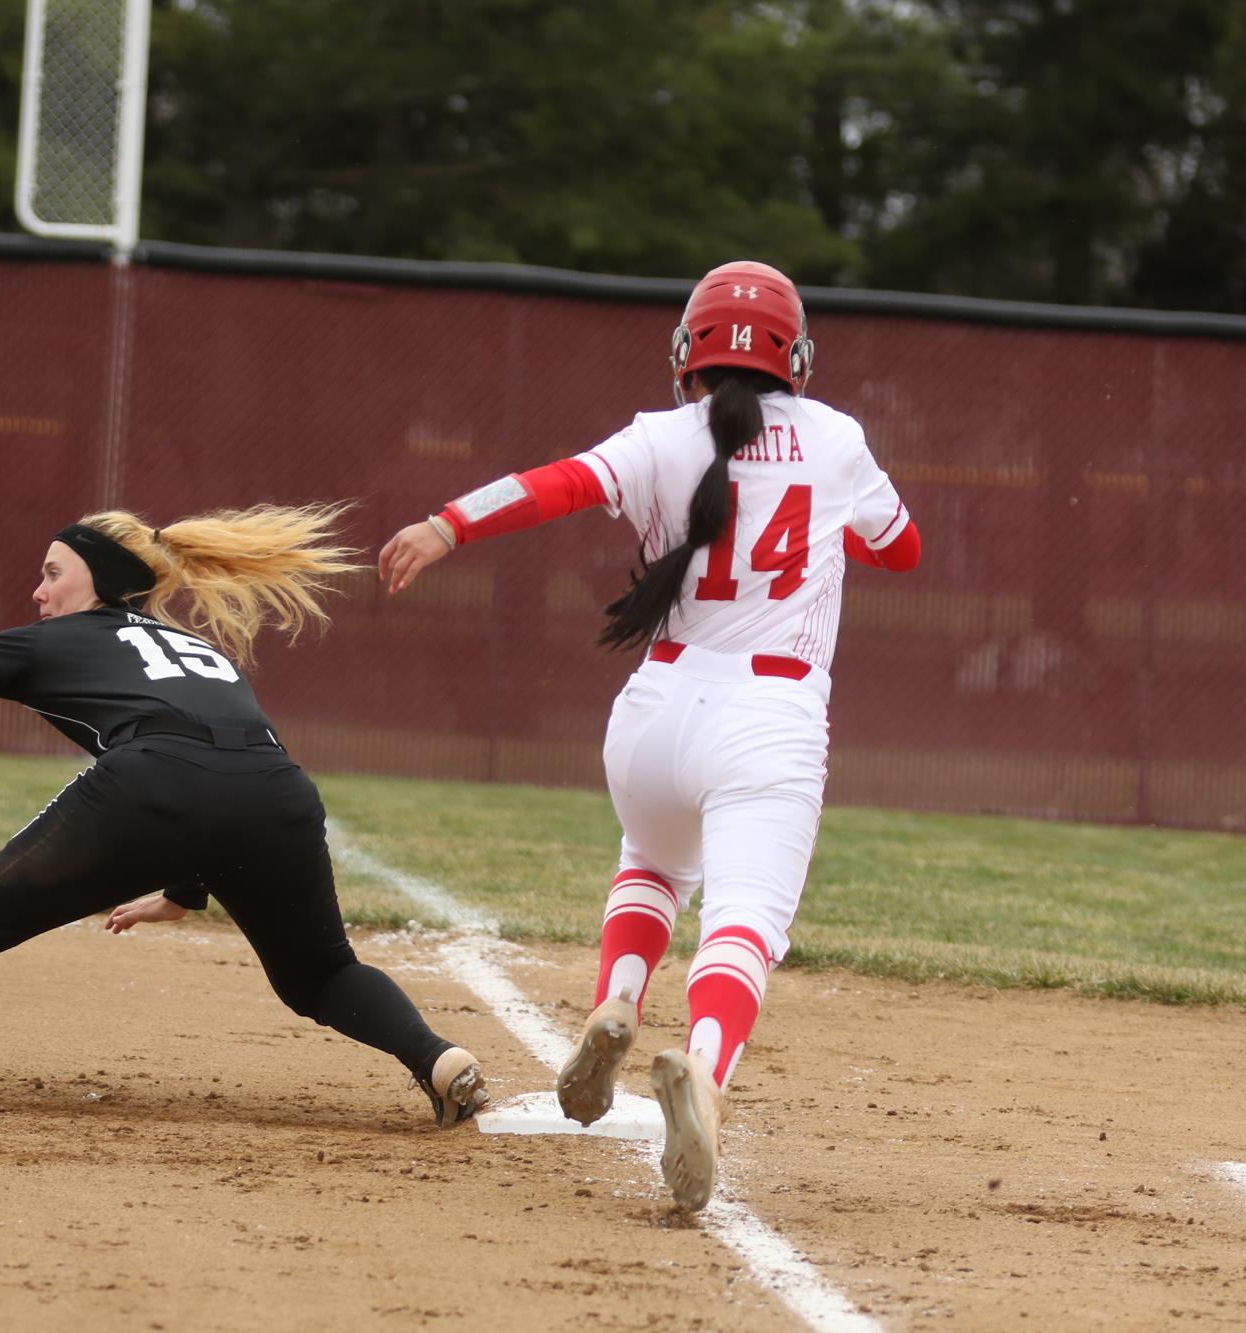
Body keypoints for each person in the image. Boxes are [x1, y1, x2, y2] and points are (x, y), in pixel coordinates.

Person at [378, 261, 921, 1210]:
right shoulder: (836, 437)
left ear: (686, 355)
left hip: (654, 712)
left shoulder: (658, 436)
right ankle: (701, 1074)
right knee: (743, 923)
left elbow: (554, 486)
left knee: (655, 865)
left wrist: (447, 524)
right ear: (795, 358)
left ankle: (620, 997)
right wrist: (824, 522)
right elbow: (902, 548)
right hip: (770, 717)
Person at [0, 504, 490, 1128]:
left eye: (53, 572)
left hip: (152, 783)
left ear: (100, 582)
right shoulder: (197, 650)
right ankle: (437, 1058)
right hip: (280, 790)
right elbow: (220, 769)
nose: (39, 592)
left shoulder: (55, 641)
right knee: (322, 973)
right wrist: (185, 890)